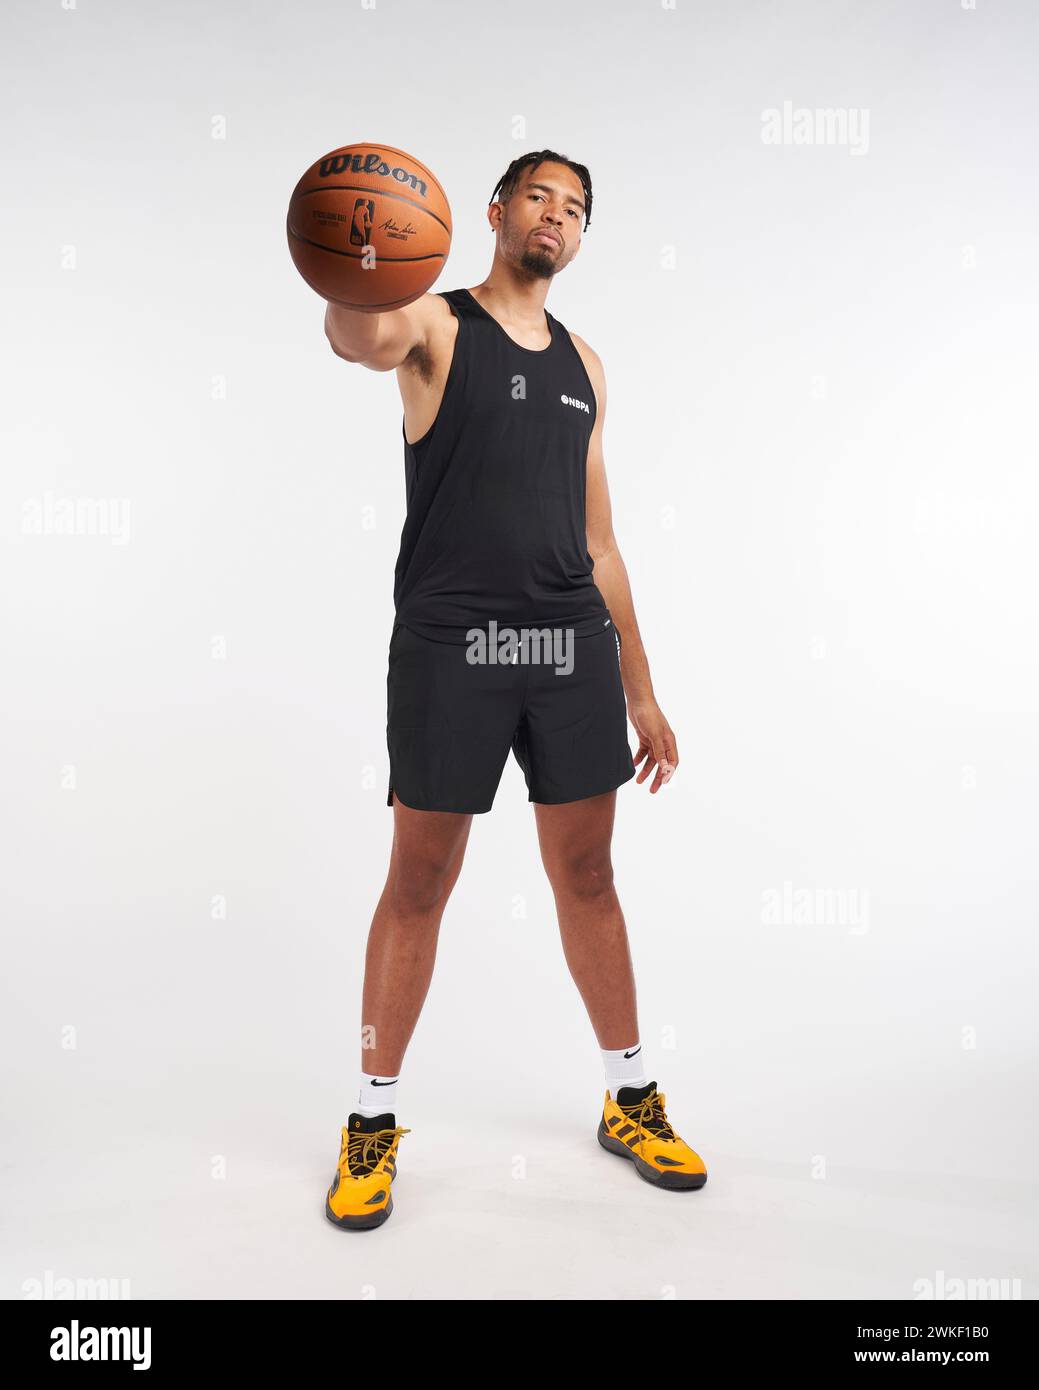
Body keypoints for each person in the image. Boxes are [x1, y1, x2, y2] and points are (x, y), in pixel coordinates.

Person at [321, 150, 707, 1229]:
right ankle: (370, 1118)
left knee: (589, 873)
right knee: (420, 877)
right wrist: (355, 278)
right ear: (495, 212)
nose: (556, 216)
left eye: (575, 208)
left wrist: (643, 688)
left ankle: (629, 1095)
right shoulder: (434, 325)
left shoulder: (587, 362)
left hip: (570, 649)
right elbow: (363, 340)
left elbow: (602, 540)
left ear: (580, 237)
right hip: (451, 647)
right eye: (539, 195)